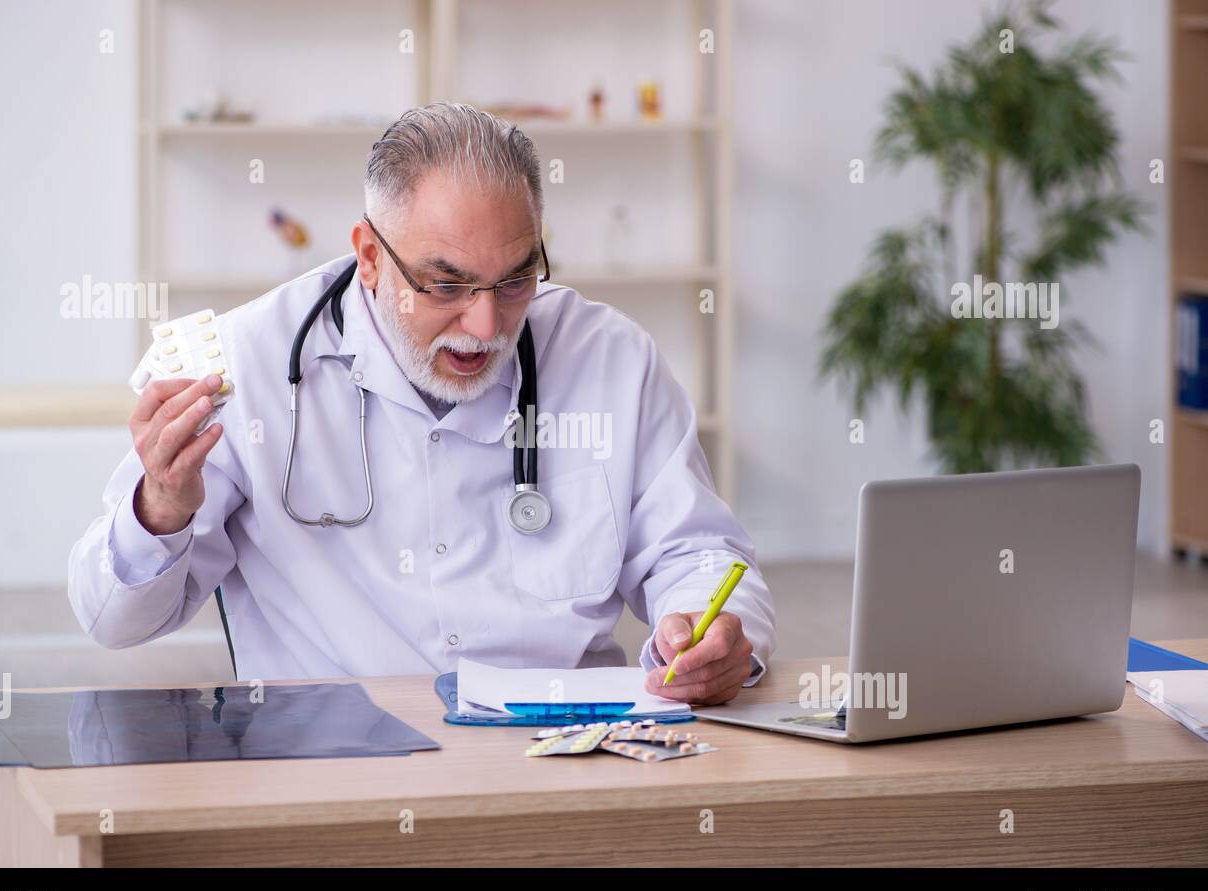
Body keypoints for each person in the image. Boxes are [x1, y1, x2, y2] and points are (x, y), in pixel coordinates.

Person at [68, 103, 775, 705]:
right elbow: (112, 618)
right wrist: (160, 507)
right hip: (335, 780)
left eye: (516, 279)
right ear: (369, 257)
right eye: (446, 285)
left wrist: (712, 629)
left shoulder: (611, 360)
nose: (486, 326)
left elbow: (698, 551)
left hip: (566, 763)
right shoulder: (247, 365)